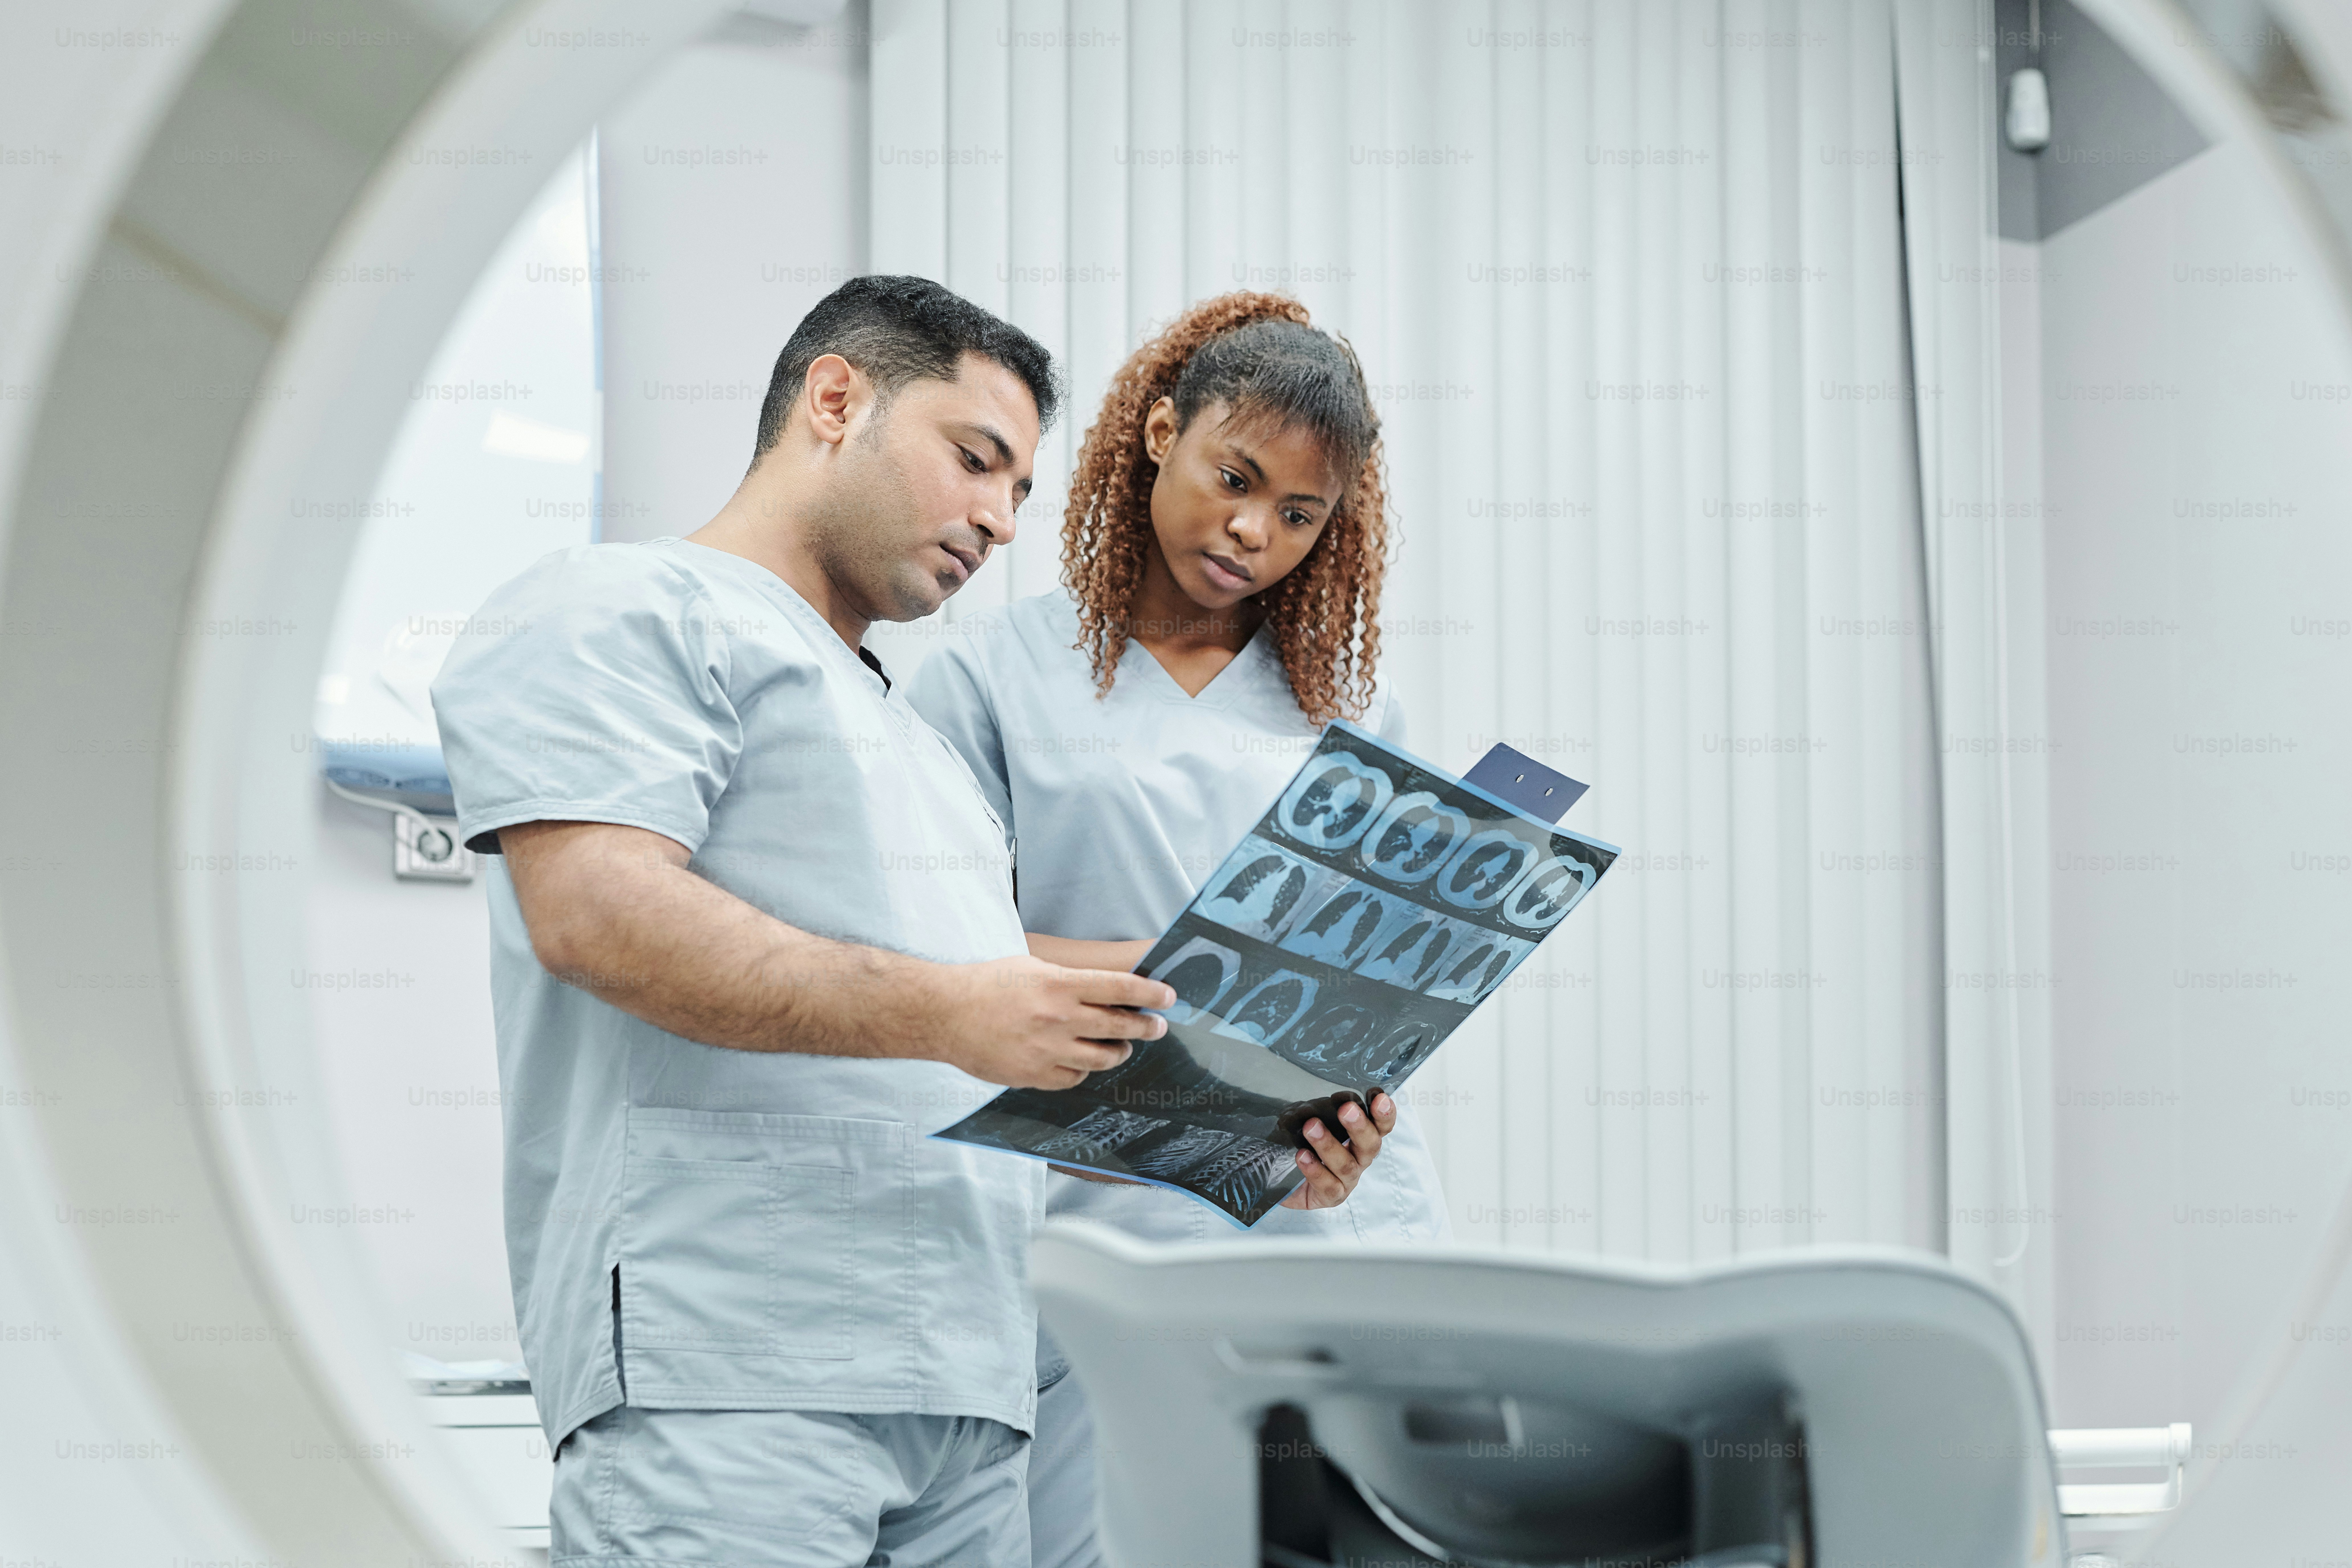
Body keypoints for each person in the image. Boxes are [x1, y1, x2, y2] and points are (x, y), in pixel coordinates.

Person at [428, 277, 1390, 1568]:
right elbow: (598, 915)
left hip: (969, 1402)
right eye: (975, 459)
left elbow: (1013, 1040)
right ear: (836, 400)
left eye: (1021, 490)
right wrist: (957, 1009)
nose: (998, 518)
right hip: (736, 1368)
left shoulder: (920, 753)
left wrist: (1268, 1142)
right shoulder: (626, 608)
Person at [907, 291, 1453, 1568]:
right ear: (1162, 434)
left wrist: (1358, 1120)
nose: (1254, 532)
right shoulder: (992, 675)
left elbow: (1374, 985)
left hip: (1316, 1211)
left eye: (1301, 515)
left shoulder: (1351, 708)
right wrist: (1190, 977)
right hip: (1095, 1210)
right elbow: (935, 940)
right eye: (1235, 478)